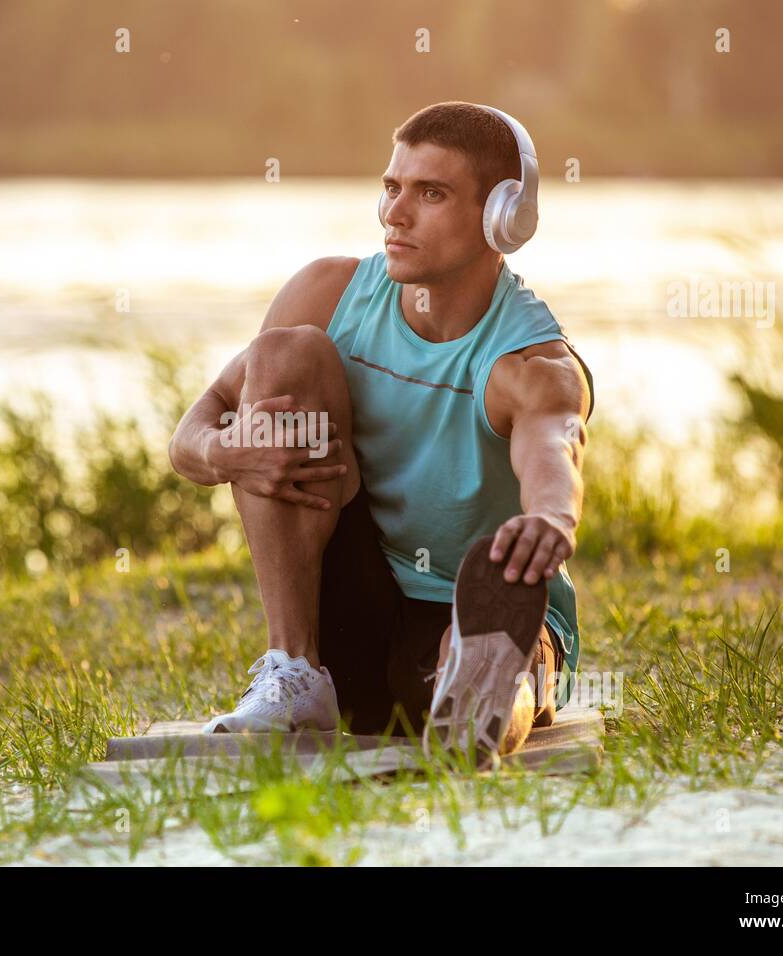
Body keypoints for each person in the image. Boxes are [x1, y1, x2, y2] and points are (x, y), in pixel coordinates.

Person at [167, 101, 593, 767]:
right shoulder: (329, 295)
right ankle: (295, 669)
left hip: (466, 598)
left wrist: (550, 520)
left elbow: (553, 445)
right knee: (284, 356)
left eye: (431, 193)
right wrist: (230, 451)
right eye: (392, 187)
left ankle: (487, 696)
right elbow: (194, 431)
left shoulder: (529, 363)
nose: (395, 213)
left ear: (501, 216)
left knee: (492, 653)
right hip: (354, 609)